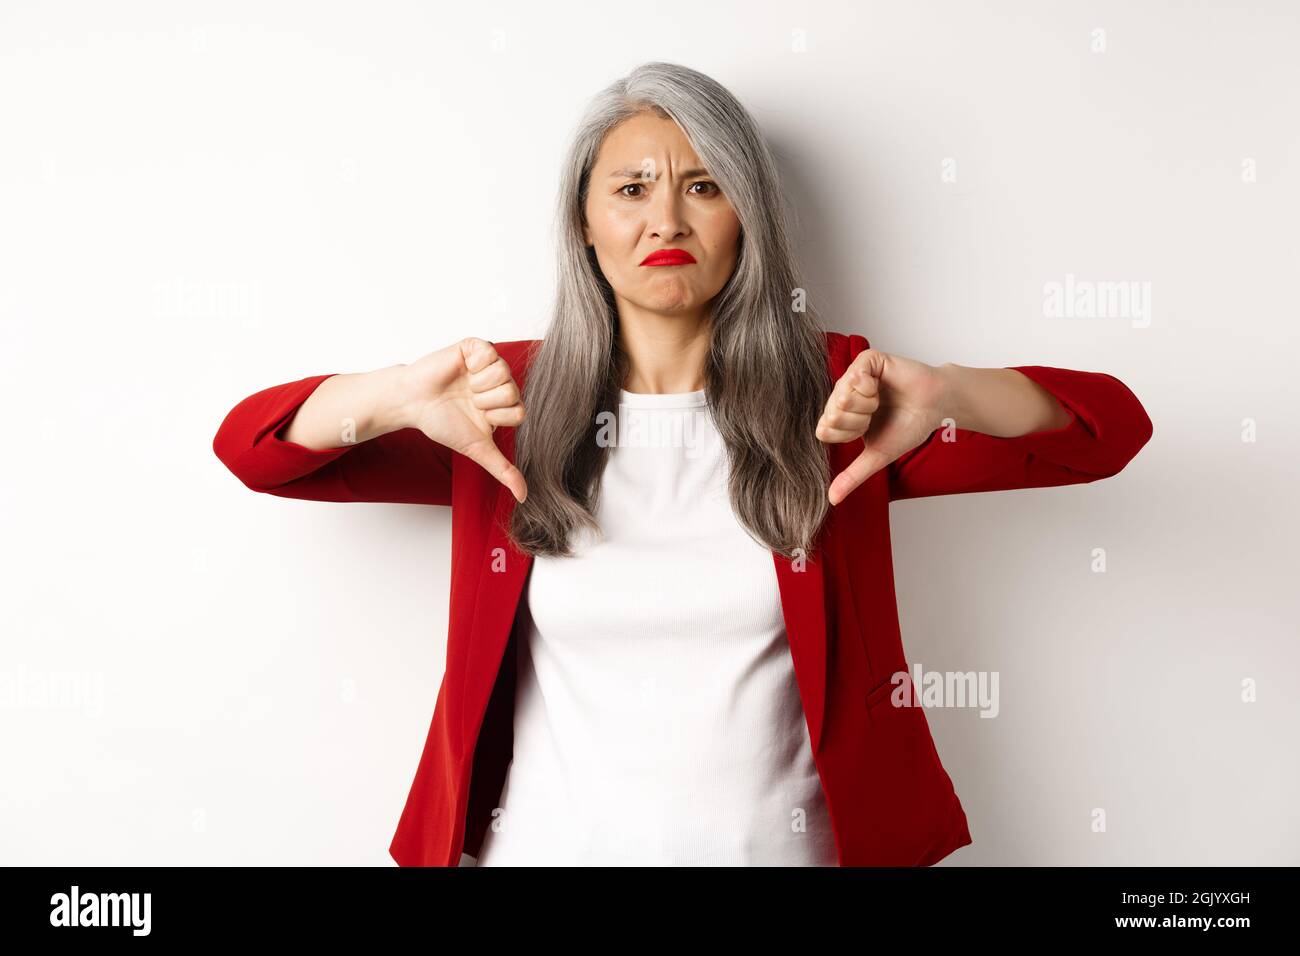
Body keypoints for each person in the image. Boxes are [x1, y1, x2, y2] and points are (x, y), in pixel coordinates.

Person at [213, 62, 1153, 866]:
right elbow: (255, 452)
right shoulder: (498, 405)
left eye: (704, 186)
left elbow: (1106, 433)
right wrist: (385, 396)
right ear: (584, 222)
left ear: (748, 216)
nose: (667, 218)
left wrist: (949, 391)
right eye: (631, 190)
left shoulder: (837, 400)